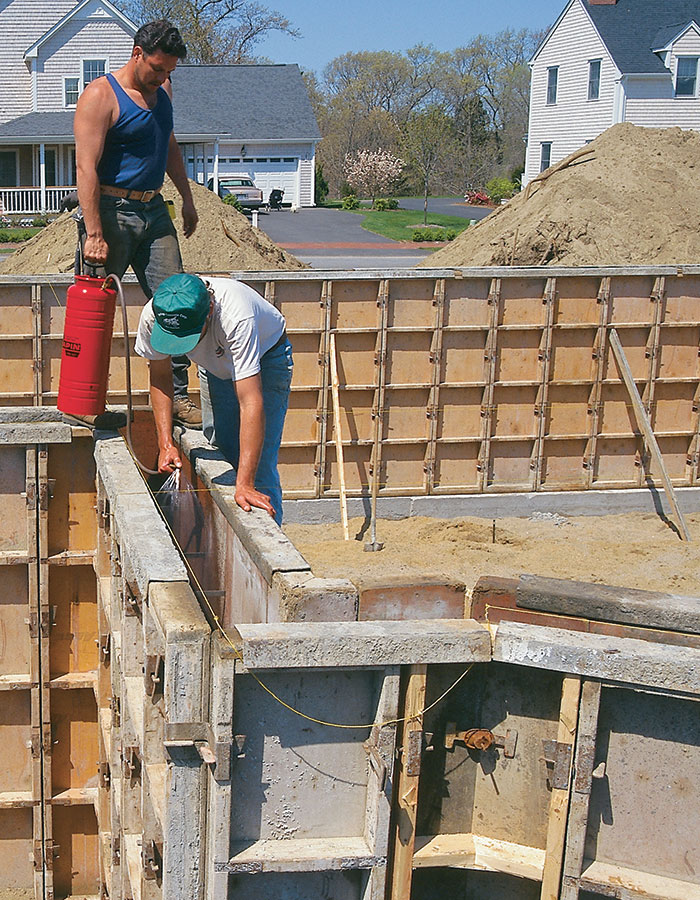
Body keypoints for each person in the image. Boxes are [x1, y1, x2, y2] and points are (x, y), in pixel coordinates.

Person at [73, 19, 201, 428]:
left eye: (169, 72)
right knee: (94, 309)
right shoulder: (100, 96)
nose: (163, 78)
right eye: (157, 69)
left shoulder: (161, 93)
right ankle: (83, 403)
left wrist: (186, 198)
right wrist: (94, 233)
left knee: (175, 303)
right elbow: (85, 167)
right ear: (137, 53)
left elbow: (168, 145)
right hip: (110, 214)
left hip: (153, 212)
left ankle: (178, 398)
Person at [135, 274, 293, 525]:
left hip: (266, 356)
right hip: (215, 363)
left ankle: (269, 546)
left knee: (257, 466)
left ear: (209, 311)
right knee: (220, 447)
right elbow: (161, 376)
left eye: (185, 338)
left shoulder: (236, 317)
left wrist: (245, 484)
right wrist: (165, 444)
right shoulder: (155, 315)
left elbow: (251, 402)